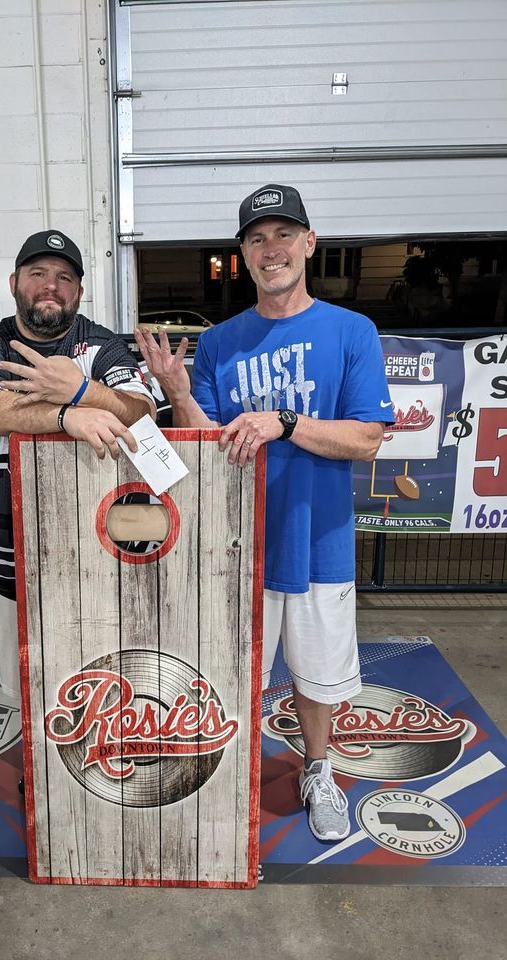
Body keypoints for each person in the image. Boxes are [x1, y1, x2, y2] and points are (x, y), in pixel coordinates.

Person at [135, 184, 392, 842]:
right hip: (235, 544)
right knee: (224, 672)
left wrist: (285, 421)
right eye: (256, 238)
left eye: (283, 234)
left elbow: (367, 437)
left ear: (309, 243)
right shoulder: (221, 342)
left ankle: (318, 770)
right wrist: (177, 391)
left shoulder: (351, 331)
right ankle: (224, 771)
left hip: (317, 542)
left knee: (318, 680)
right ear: (243, 255)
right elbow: (201, 444)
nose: (270, 249)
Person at [0, 229, 155, 703]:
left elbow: (142, 411)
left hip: (97, 551)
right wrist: (69, 416)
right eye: (38, 273)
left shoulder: (101, 345)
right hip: (11, 552)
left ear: (79, 291)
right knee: (24, 689)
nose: (51, 285)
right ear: (14, 283)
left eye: (65, 277)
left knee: (97, 678)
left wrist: (81, 390)